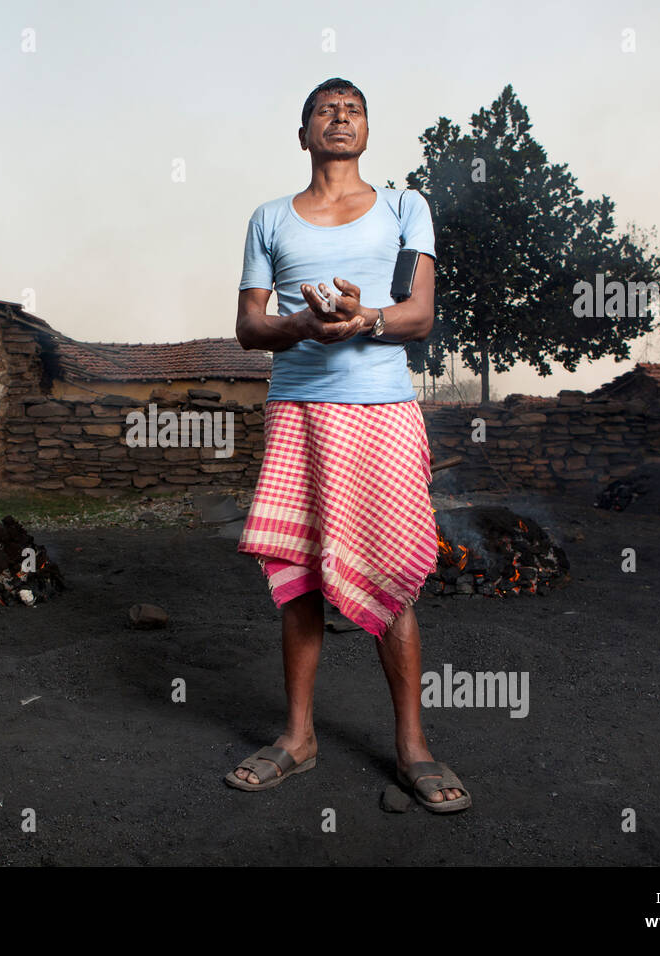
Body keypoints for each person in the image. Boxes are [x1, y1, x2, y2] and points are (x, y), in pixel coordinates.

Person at [228, 77, 470, 812]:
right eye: (325, 111)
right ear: (303, 134)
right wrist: (302, 327)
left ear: (367, 131)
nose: (340, 118)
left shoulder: (404, 207)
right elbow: (247, 327)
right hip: (300, 408)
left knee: (394, 567)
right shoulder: (270, 218)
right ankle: (298, 737)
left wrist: (365, 320)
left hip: (381, 409)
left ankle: (413, 747)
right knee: (300, 574)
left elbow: (420, 315)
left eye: (353, 110)